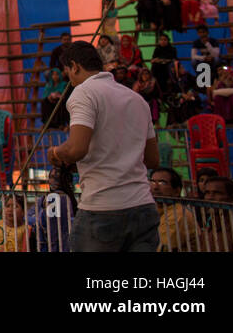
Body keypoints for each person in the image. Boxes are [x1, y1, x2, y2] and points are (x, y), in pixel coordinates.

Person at [48, 41, 158, 251]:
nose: (68, 78)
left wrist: (54, 152)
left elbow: (76, 149)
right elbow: (153, 159)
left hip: (103, 207)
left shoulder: (83, 93)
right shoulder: (136, 99)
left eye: (67, 71)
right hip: (143, 206)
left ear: (75, 66)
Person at [151, 167, 197, 252]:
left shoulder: (179, 215)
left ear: (176, 191)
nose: (155, 187)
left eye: (162, 182)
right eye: (152, 182)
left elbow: (161, 247)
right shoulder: (156, 209)